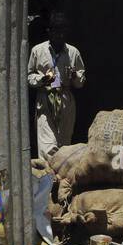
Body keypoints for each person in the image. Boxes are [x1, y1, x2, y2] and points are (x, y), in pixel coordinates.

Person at [27, 12, 86, 158]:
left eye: (63, 32)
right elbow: (29, 77)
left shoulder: (73, 53)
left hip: (65, 100)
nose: (60, 36)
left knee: (64, 143)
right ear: (49, 32)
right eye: (56, 32)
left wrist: (74, 76)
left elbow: (80, 82)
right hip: (45, 99)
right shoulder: (38, 51)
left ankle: (59, 176)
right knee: (47, 143)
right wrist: (42, 79)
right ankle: (48, 176)